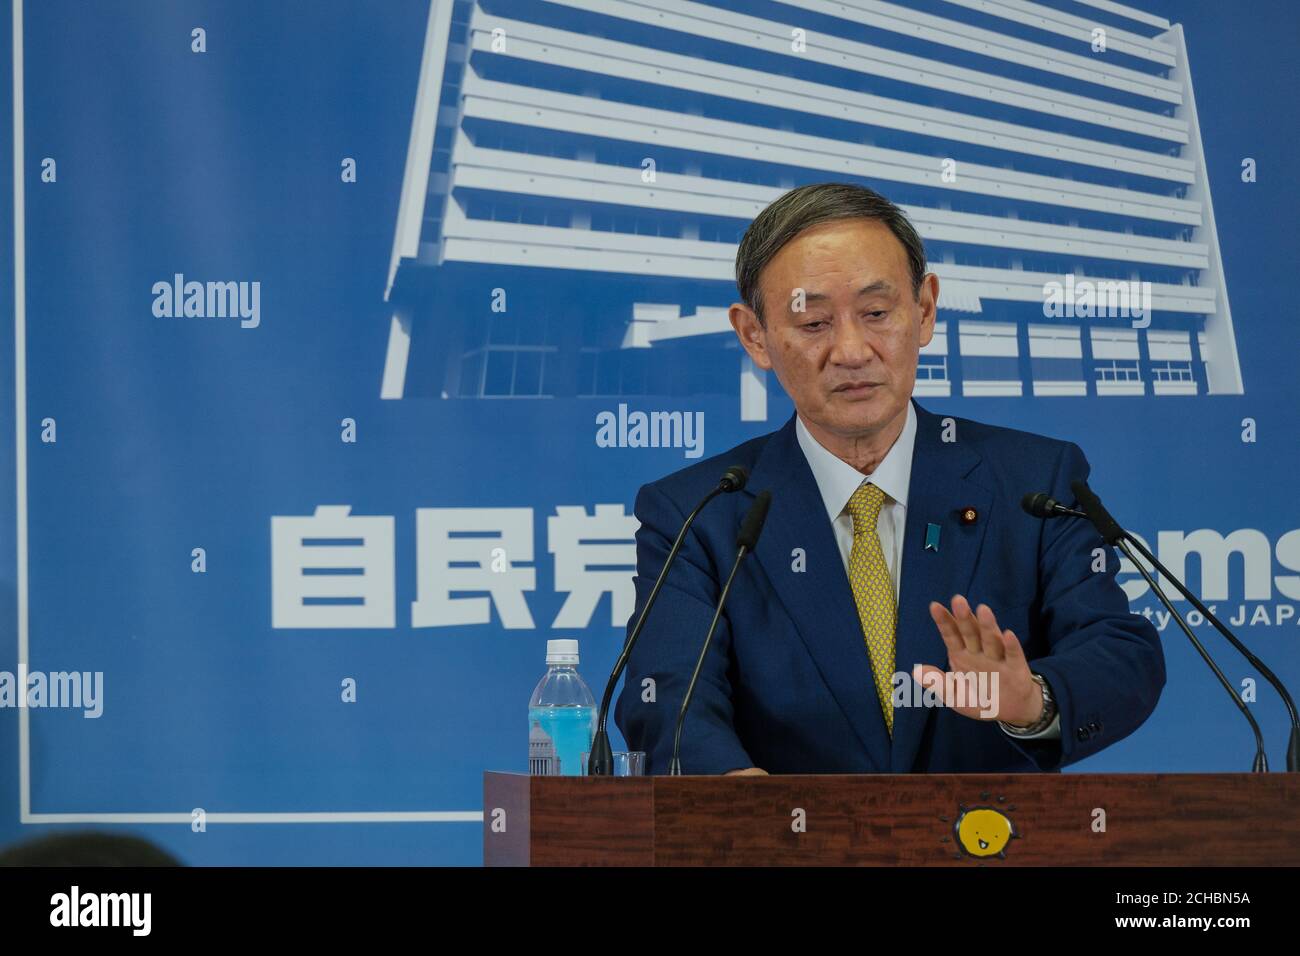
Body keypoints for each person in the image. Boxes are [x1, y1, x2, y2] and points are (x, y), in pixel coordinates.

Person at [614, 182, 1165, 775]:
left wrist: (1033, 699)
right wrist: (747, 807)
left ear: (924, 310)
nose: (852, 350)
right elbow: (666, 693)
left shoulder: (1034, 482)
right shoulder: (699, 512)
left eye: (877, 314)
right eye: (814, 323)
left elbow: (1119, 653)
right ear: (756, 336)